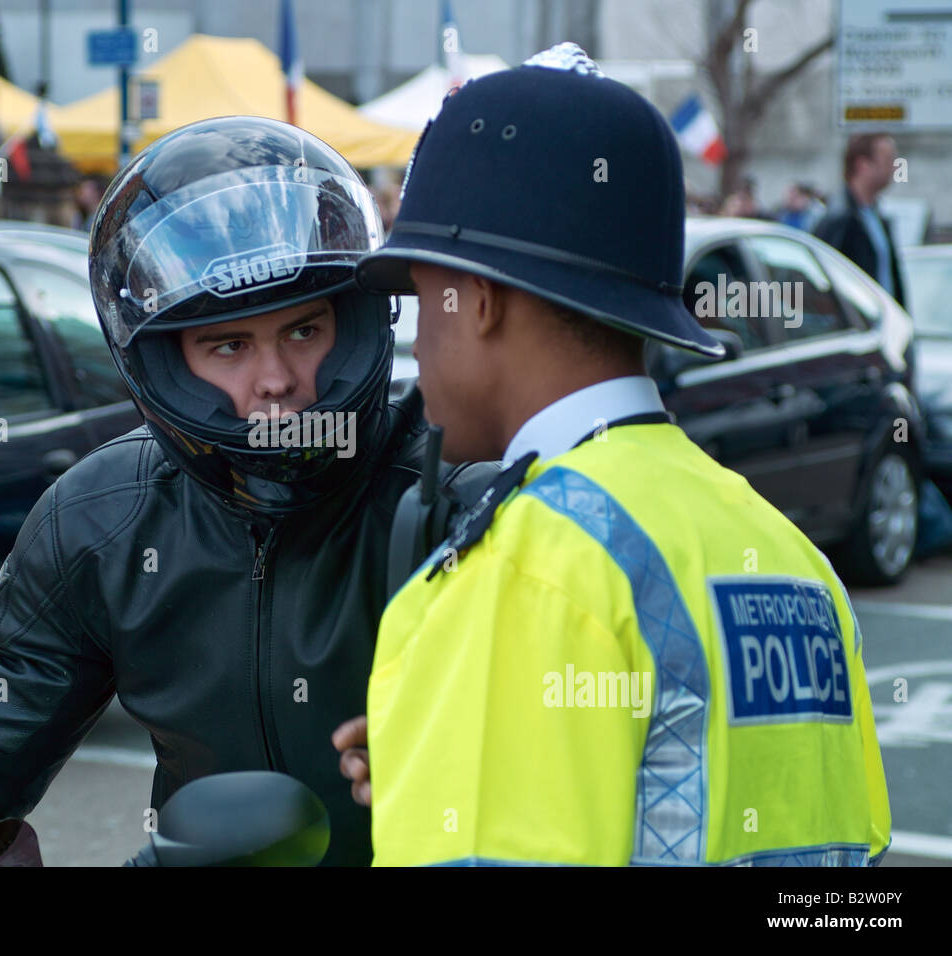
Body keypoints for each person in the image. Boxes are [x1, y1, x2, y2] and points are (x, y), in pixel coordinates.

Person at [0, 117, 492, 866]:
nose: (275, 379)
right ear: (163, 361)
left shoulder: (462, 494)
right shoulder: (100, 520)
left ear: (354, 324)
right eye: (229, 346)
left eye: (304, 332)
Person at [336, 43, 891, 867]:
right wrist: (445, 756)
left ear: (480, 300)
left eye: (423, 298)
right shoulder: (792, 558)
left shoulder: (526, 571)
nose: (421, 343)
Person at [814, 133, 906, 307]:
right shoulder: (838, 219)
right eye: (887, 159)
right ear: (863, 165)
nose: (894, 167)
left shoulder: (876, 216)